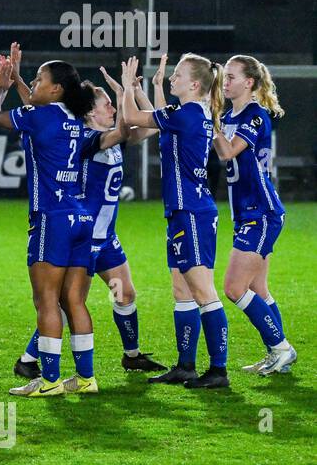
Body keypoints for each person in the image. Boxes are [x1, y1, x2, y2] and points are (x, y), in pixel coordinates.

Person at [11, 71, 165, 379]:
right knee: (70, 302)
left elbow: (151, 126)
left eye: (112, 104)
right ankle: (29, 359)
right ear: (90, 111)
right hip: (85, 237)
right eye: (106, 104)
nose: (111, 109)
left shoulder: (113, 137)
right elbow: (41, 108)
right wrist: (124, 94)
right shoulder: (84, 140)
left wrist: (134, 91)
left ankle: (132, 356)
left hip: (106, 237)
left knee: (125, 295)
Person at [0, 46, 99, 395]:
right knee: (73, 301)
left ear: (56, 88)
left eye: (38, 78)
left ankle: (48, 381)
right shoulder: (72, 118)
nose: (33, 83)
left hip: (51, 217)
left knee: (45, 301)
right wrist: (16, 77)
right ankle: (86, 379)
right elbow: (35, 103)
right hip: (80, 216)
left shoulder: (39, 116)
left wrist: (0, 86)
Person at [120, 53, 230, 389]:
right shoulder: (192, 114)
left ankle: (219, 370)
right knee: (182, 290)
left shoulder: (189, 114)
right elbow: (163, 125)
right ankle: (185, 366)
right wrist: (151, 88)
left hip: (191, 212)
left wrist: (127, 85)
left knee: (202, 291)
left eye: (178, 75)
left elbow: (133, 117)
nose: (173, 78)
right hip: (187, 211)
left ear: (195, 84)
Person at [215, 54, 296, 377]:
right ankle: (278, 354)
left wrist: (210, 122)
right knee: (259, 290)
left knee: (234, 288)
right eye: (225, 76)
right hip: (246, 213)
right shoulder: (227, 114)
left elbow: (227, 151)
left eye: (232, 77)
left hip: (260, 213)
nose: (226, 82)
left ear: (249, 82)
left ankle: (281, 348)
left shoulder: (255, 114)